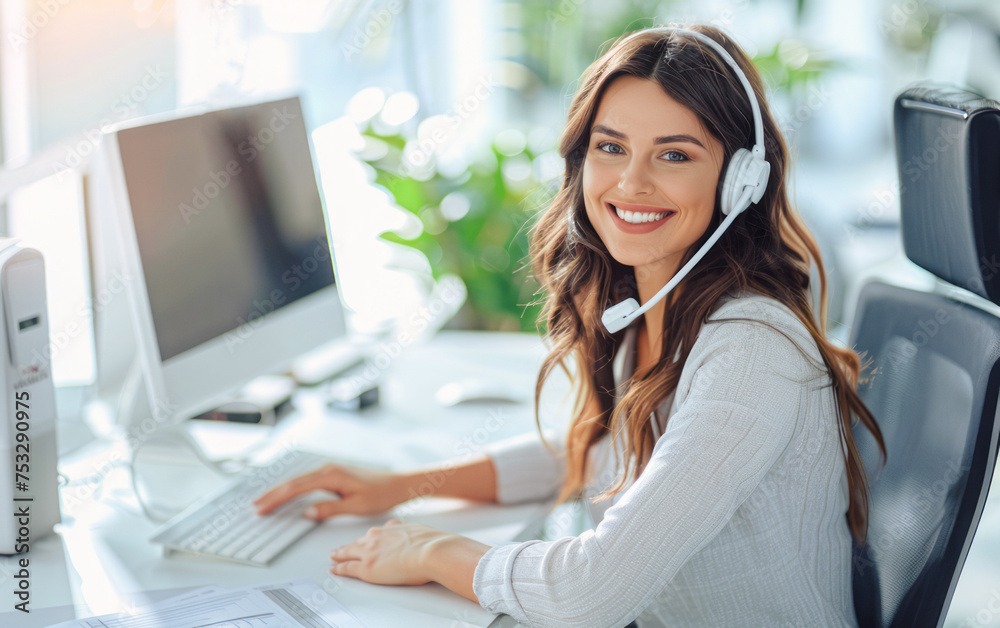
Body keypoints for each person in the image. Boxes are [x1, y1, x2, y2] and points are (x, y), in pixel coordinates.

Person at [253, 23, 886, 627]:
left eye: (674, 154)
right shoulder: (654, 306)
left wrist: (430, 552)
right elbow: (602, 455)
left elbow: (589, 594)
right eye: (611, 148)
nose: (631, 183)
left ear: (740, 180)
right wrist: (405, 485)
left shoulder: (752, 351)